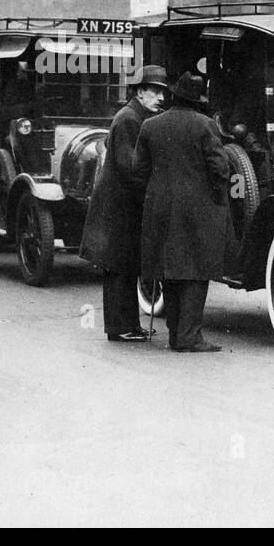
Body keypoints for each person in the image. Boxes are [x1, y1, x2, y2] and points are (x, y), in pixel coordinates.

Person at [135, 72, 239, 353]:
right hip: (198, 209)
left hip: (160, 207)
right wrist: (217, 200)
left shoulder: (150, 125)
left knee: (170, 268)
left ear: (174, 95)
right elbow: (220, 169)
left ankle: (175, 335)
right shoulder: (205, 125)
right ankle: (189, 337)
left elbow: (139, 169)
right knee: (196, 271)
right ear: (197, 100)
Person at [79, 65, 169, 343]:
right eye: (154, 91)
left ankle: (128, 326)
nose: (161, 98)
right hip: (119, 208)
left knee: (125, 267)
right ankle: (120, 328)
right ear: (140, 92)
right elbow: (130, 166)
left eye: (163, 92)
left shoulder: (134, 115)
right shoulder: (130, 119)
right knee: (119, 268)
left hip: (120, 206)